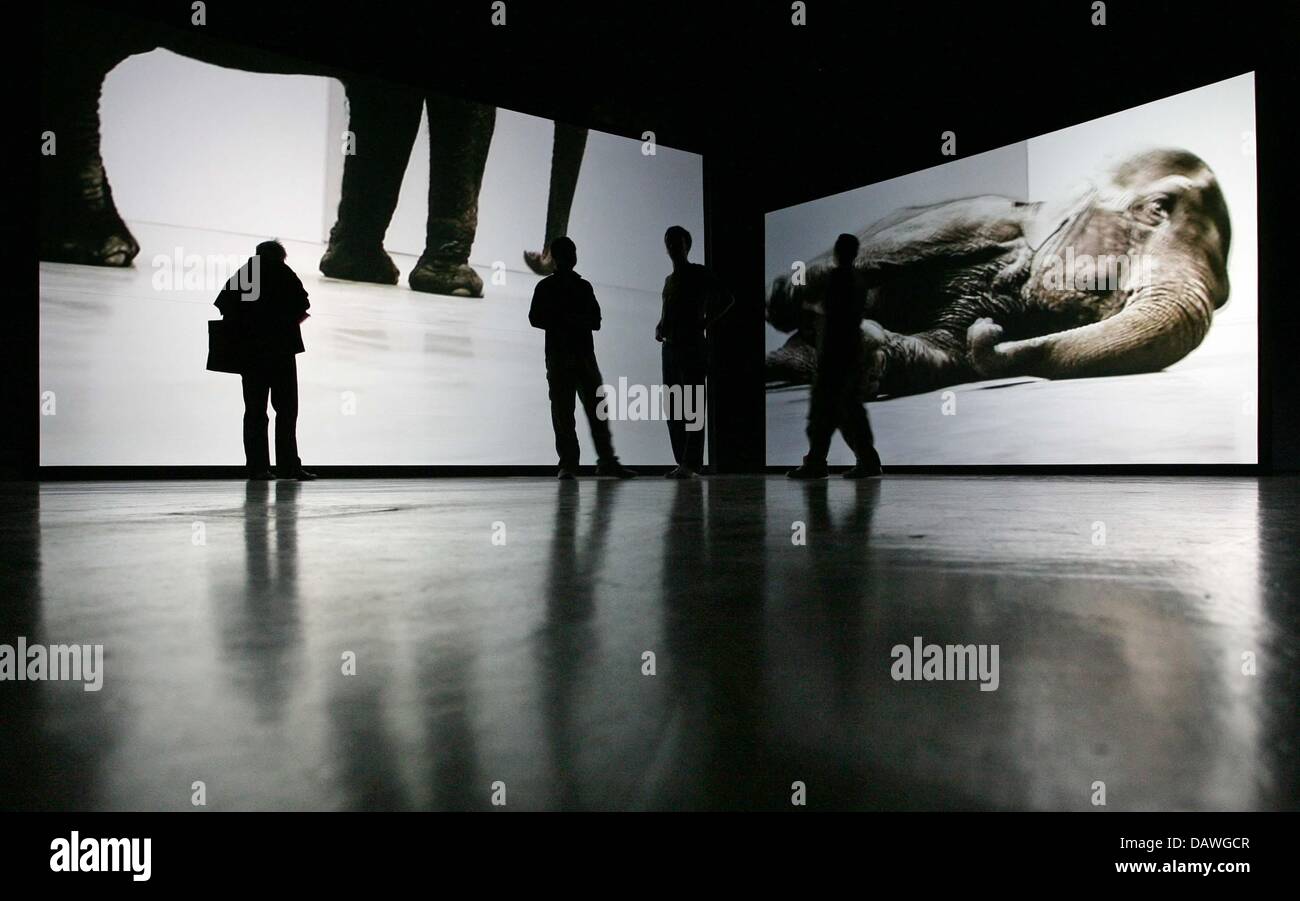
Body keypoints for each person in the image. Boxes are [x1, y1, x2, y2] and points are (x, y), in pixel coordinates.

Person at [528, 236, 637, 480]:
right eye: (571, 251)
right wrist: (574, 320)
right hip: (576, 357)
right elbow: (538, 318)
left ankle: (575, 464)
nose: (573, 256)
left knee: (568, 413)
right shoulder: (574, 287)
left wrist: (561, 320)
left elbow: (540, 318)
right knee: (574, 412)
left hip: (570, 357)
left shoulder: (561, 287)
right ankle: (592, 462)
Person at [215, 240, 316, 481]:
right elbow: (303, 303)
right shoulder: (282, 272)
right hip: (281, 351)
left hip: (250, 354)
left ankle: (257, 468)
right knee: (287, 410)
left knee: (255, 412)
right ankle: (289, 466)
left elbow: (223, 304)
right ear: (281, 256)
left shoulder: (247, 273)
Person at [787, 233, 883, 480]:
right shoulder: (859, 282)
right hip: (851, 353)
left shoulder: (837, 278)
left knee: (823, 413)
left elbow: (830, 310)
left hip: (833, 356)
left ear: (837, 252)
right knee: (849, 411)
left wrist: (808, 306)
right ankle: (866, 460)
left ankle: (817, 462)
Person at [656, 225, 734, 478]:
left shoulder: (698, 273)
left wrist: (705, 321)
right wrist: (660, 325)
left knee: (692, 405)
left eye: (677, 242)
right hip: (670, 347)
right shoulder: (669, 280)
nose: (672, 246)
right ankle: (683, 462)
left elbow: (727, 298)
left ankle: (691, 463)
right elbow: (667, 310)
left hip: (692, 345)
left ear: (687, 245)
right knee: (674, 406)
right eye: (669, 242)